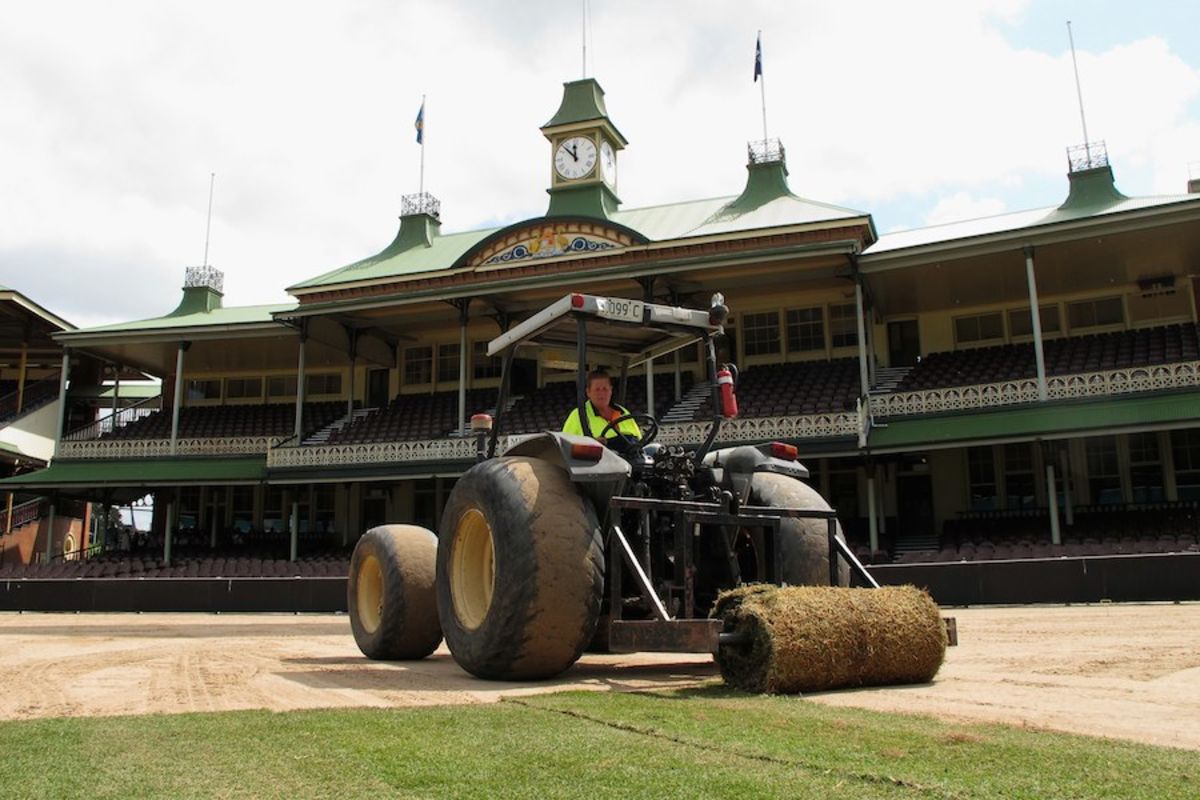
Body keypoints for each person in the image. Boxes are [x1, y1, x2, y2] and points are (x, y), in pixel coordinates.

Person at [562, 369, 642, 441]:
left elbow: (639, 440)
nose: (601, 393)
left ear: (611, 390)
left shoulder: (624, 413)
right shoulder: (578, 415)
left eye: (605, 389)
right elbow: (564, 446)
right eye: (597, 389)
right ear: (588, 392)